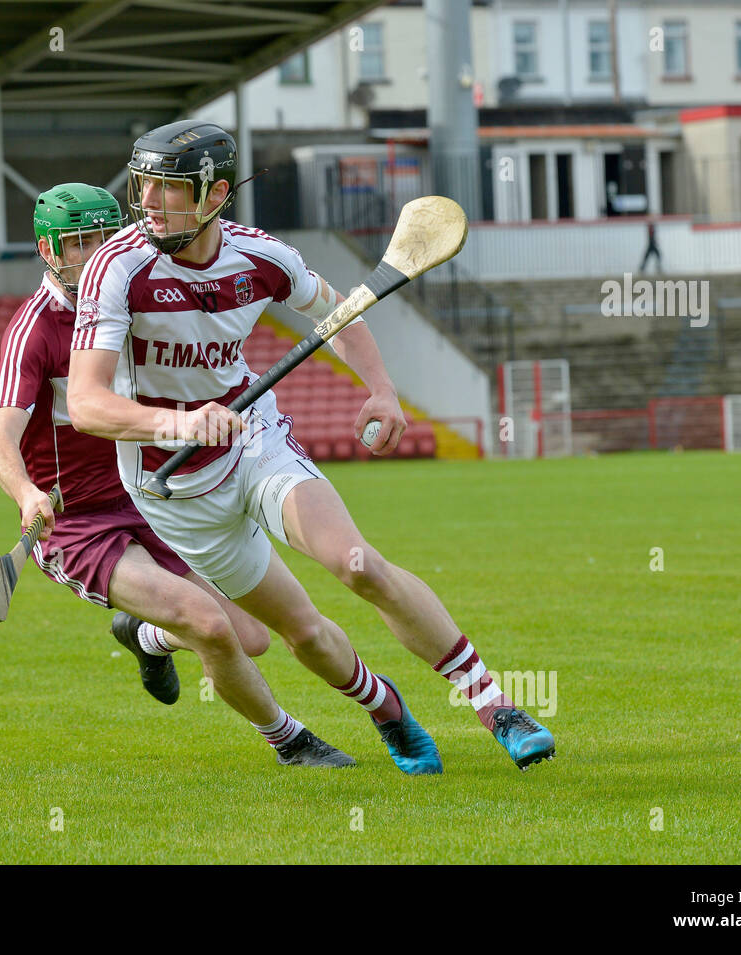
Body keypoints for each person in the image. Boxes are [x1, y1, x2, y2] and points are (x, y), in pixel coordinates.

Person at [68, 120, 556, 774]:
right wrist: (178, 426)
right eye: (143, 185)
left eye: (167, 188)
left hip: (253, 444)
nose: (147, 202)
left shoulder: (261, 258)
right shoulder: (117, 268)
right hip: (172, 485)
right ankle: (385, 706)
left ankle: (494, 704)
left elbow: (342, 317)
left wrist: (380, 389)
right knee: (294, 635)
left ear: (214, 196)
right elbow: (86, 404)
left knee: (358, 564)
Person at [0, 183, 350, 766]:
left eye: (104, 238)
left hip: (157, 493)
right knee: (208, 624)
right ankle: (290, 741)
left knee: (252, 637)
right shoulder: (36, 330)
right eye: (78, 244)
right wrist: (25, 492)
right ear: (47, 249)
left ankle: (143, 634)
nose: (94, 254)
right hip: (80, 522)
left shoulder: (136, 292)